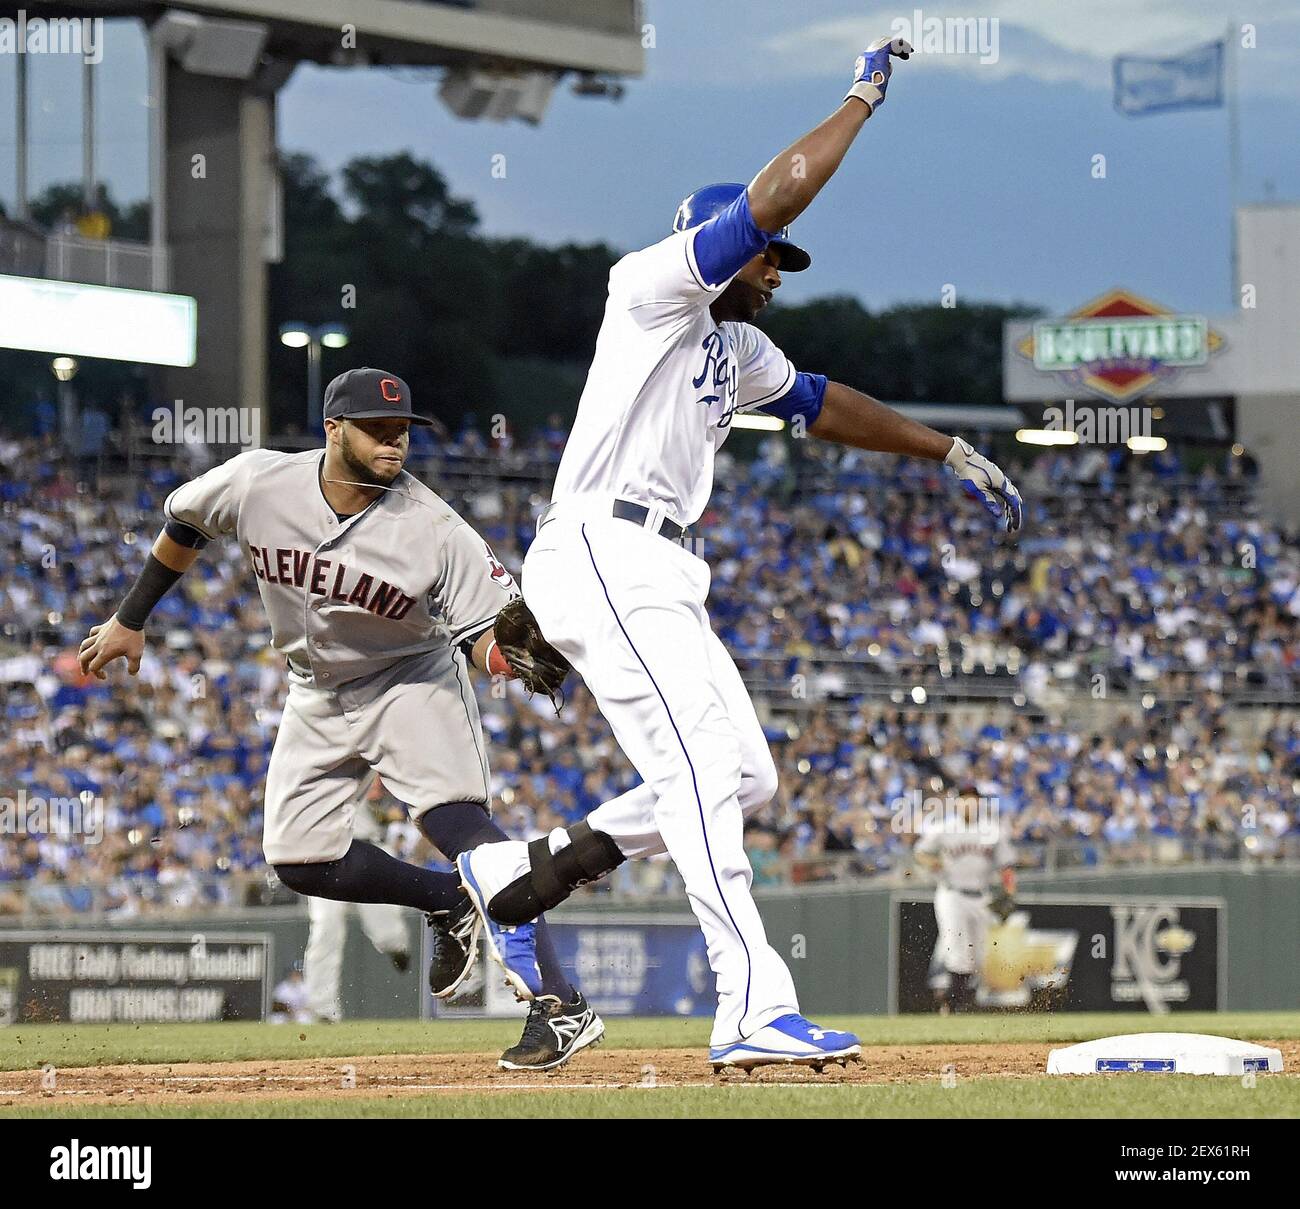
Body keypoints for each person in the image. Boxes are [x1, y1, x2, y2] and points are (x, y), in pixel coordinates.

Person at [456, 36, 1023, 1072]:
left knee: (743, 776)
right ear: (713, 246)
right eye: (766, 258)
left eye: (777, 264)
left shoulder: (740, 347)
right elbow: (770, 204)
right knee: (697, 774)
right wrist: (859, 100)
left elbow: (820, 403)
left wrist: (944, 447)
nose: (775, 272)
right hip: (601, 548)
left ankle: (519, 873)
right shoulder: (649, 293)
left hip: (659, 566)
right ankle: (750, 1008)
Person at [76, 368, 602, 1071]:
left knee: (466, 832)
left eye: (403, 430)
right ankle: (450, 900)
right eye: (377, 428)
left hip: (408, 681)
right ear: (333, 428)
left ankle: (560, 1004)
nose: (394, 441)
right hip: (314, 688)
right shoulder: (259, 482)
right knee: (300, 859)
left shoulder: (435, 527)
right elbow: (185, 523)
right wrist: (129, 618)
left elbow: (484, 638)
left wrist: (512, 657)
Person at [302, 775, 413, 1023]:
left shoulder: (371, 758)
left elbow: (394, 809)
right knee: (326, 926)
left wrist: (381, 800)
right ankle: (322, 1009)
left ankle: (396, 947)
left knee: (387, 931)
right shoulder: (315, 763)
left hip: (368, 847)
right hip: (326, 853)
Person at [913, 789, 1017, 1013]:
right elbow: (920, 852)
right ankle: (953, 1003)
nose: (968, 806)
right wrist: (932, 863)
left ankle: (957, 1001)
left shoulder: (992, 831)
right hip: (952, 894)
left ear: (980, 805)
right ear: (957, 805)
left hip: (982, 897)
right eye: (964, 802)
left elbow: (1007, 866)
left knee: (977, 957)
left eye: (973, 802)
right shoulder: (943, 828)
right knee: (957, 948)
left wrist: (1009, 892)